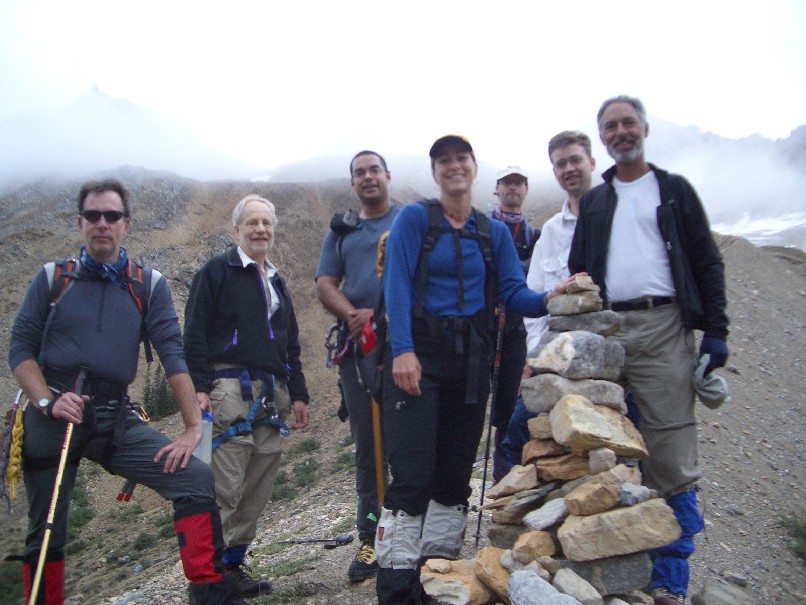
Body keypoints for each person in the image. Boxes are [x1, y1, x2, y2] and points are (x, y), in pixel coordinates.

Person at [9, 179, 246, 605]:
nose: (102, 223)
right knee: (45, 531)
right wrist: (47, 401)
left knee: (195, 478)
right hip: (52, 416)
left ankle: (210, 594)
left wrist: (193, 428)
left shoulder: (146, 285)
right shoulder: (52, 279)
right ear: (80, 223)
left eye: (112, 215)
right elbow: (20, 350)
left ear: (126, 225)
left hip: (113, 416)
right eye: (93, 215)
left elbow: (173, 354)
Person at [375, 135, 581, 605]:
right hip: (418, 360)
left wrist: (550, 297)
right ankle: (397, 588)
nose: (454, 166)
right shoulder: (414, 219)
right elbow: (397, 287)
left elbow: (514, 292)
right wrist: (402, 351)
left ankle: (439, 581)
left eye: (461, 158)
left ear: (473, 167)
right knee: (412, 475)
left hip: (470, 365)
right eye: (444, 160)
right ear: (434, 171)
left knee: (453, 476)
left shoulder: (493, 233)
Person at [568, 95, 729, 605]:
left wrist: (716, 333)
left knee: (672, 457)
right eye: (610, 126)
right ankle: (612, 572)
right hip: (608, 330)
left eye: (628, 123)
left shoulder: (674, 190)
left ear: (644, 128)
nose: (620, 132)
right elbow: (579, 268)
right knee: (601, 449)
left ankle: (669, 583)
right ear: (603, 138)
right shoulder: (596, 200)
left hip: (663, 327)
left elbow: (706, 261)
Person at [183, 194, 310, 598]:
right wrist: (198, 388)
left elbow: (290, 343)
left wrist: (300, 394)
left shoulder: (276, 280)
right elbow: (194, 332)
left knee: (257, 485)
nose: (260, 229)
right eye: (252, 222)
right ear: (237, 229)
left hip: (272, 394)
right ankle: (208, 581)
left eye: (266, 223)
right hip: (228, 389)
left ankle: (232, 566)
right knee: (224, 485)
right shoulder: (216, 272)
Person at [315, 150, 399, 582]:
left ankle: (411, 529)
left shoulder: (409, 220)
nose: (368, 177)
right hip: (358, 349)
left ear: (388, 175)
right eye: (359, 172)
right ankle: (372, 536)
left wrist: (383, 317)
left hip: (405, 345)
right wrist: (352, 315)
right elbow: (325, 283)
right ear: (352, 182)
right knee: (368, 447)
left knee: (409, 441)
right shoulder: (341, 231)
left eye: (374, 170)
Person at [502, 130, 597, 468]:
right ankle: (511, 498)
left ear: (592, 163)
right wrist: (534, 360)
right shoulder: (551, 232)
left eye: (575, 160)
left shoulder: (617, 218)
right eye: (560, 163)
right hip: (554, 359)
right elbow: (536, 305)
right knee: (516, 436)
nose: (569, 168)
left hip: (610, 362)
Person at [489, 167, 540, 482]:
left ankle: (504, 481)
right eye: (507, 183)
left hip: (518, 331)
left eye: (518, 183)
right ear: (497, 188)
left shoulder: (534, 237)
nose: (513, 188)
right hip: (481, 329)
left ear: (526, 189)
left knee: (509, 407)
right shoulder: (482, 228)